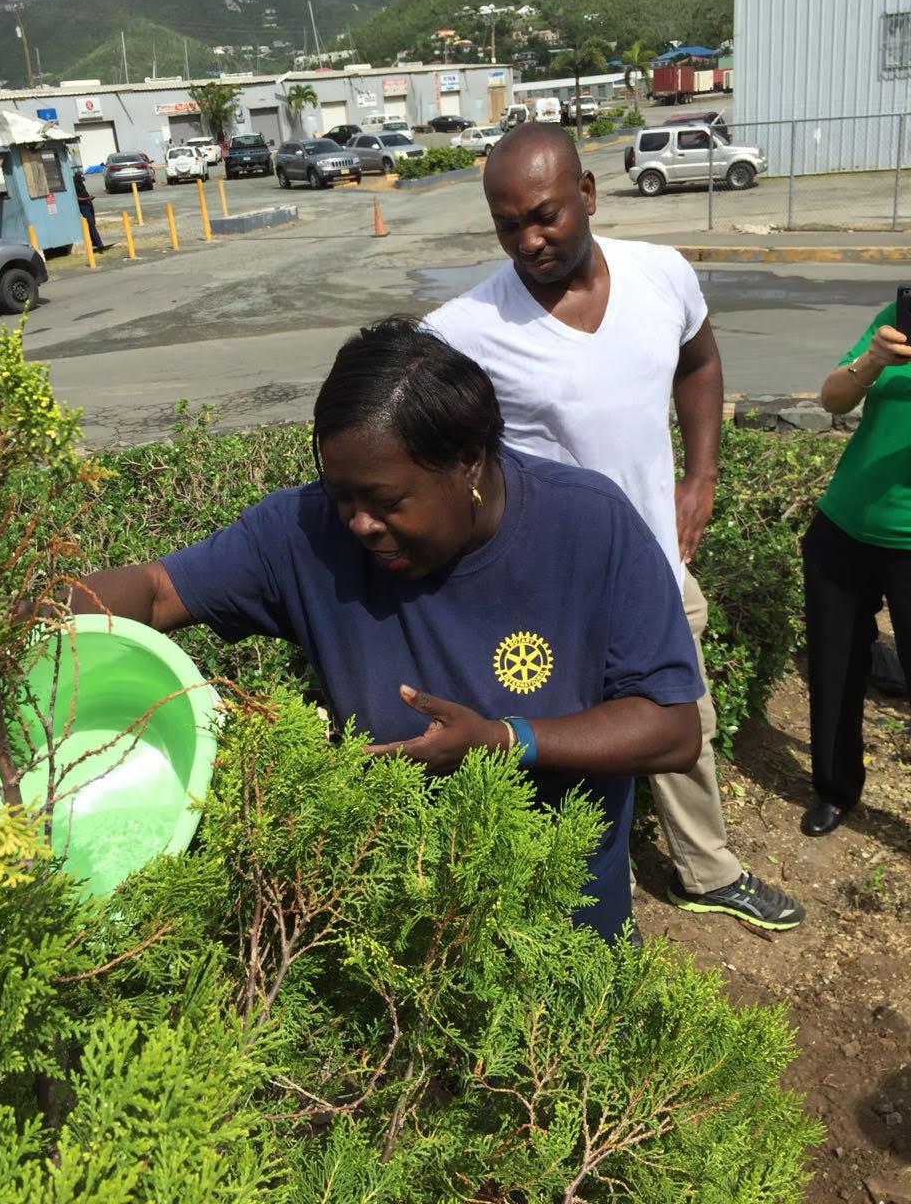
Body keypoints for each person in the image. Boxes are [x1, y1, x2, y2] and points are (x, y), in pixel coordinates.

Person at [71, 318, 703, 945]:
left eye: (386, 501)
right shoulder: (303, 534)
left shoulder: (587, 525)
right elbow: (155, 592)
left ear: (468, 463)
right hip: (381, 935)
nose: (359, 525)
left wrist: (502, 741)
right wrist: (26, 622)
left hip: (561, 933)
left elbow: (671, 729)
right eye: (341, 494)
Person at [424, 122, 805, 932]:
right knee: (553, 746)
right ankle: (556, 903)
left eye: (544, 215)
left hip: (655, 572)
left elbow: (698, 363)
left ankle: (707, 870)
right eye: (507, 225)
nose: (528, 240)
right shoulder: (465, 329)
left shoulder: (660, 274)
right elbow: (409, 426)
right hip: (545, 594)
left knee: (681, 723)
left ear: (588, 194)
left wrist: (700, 476)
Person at [800, 303, 911, 836]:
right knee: (835, 666)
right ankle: (834, 789)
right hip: (843, 525)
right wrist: (871, 360)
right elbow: (832, 399)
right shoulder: (898, 315)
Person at [73, 169, 109, 253]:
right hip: (83, 206)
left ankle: (94, 242)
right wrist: (88, 198)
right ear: (77, 178)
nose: (83, 179)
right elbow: (77, 199)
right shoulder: (74, 186)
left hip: (88, 204)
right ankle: (99, 244)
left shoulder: (81, 184)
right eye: (81, 178)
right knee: (90, 224)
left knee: (93, 223)